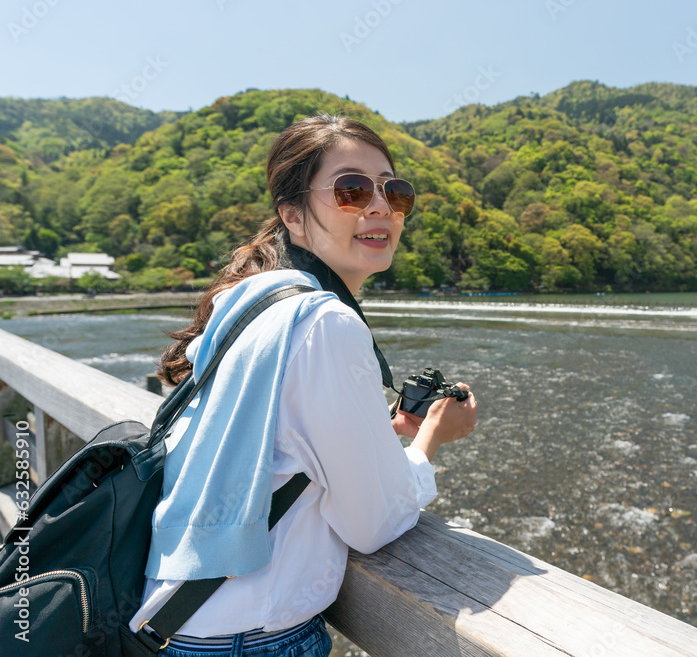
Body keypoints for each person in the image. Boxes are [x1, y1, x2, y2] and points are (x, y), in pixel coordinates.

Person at [127, 114, 478, 656]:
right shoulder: (325, 323)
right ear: (292, 215)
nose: (380, 206)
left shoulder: (255, 303)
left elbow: (274, 443)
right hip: (249, 640)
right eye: (352, 190)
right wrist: (428, 442)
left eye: (395, 191)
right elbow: (374, 523)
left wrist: (372, 433)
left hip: (177, 622)